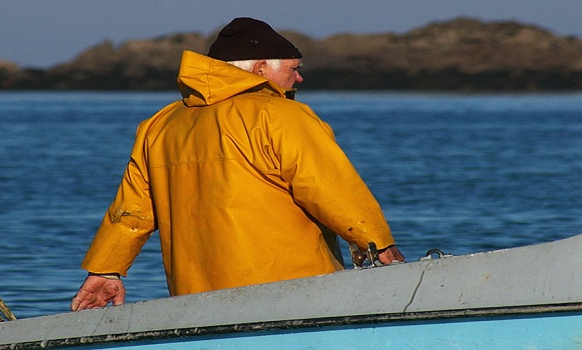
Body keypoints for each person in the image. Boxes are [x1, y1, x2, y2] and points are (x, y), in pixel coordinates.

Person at [71, 17, 404, 311]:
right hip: (293, 294)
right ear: (260, 69)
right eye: (293, 69)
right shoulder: (282, 116)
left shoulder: (160, 125)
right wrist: (379, 246)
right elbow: (331, 190)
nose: (299, 79)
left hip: (196, 303)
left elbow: (131, 212)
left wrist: (105, 270)